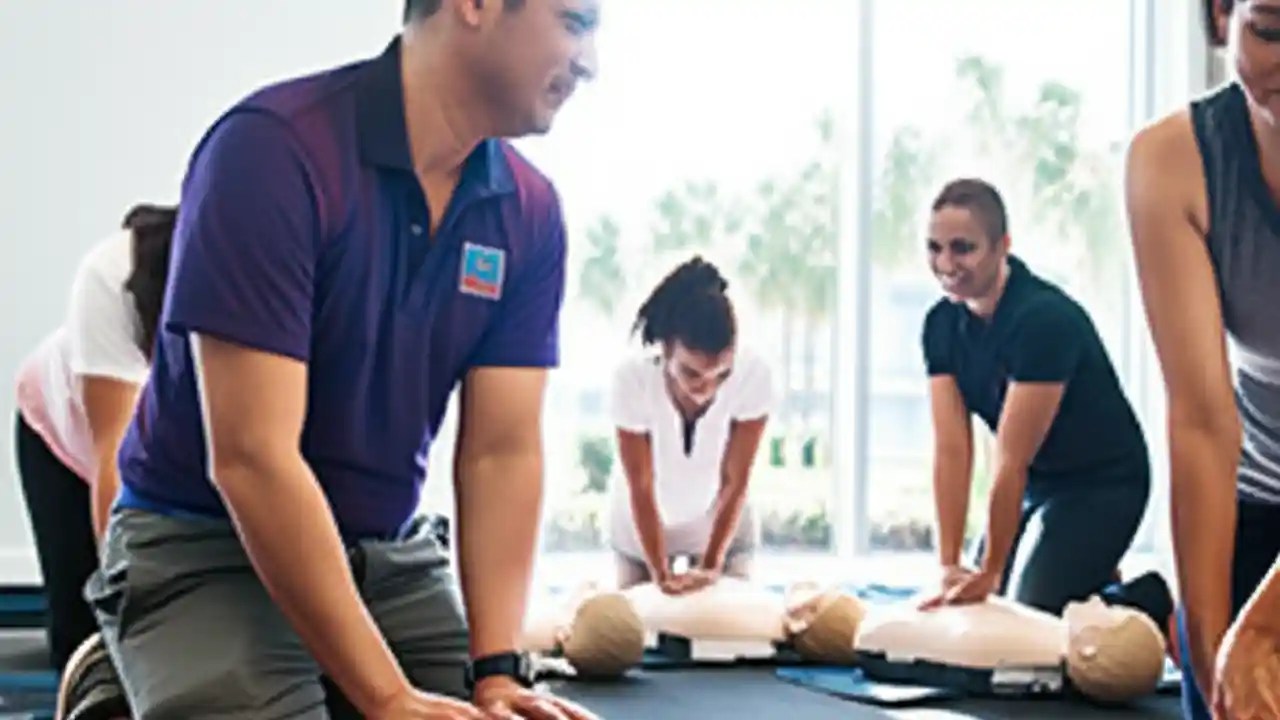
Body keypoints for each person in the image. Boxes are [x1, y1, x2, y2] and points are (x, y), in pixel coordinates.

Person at [84, 1, 601, 718]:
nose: (590, 62)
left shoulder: (530, 211)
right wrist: (385, 697)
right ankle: (131, 664)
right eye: (574, 21)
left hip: (385, 560)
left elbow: (501, 454)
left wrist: (499, 672)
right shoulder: (272, 152)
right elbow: (251, 457)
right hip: (203, 546)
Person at [1124, 2, 1280, 717]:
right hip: (1255, 502)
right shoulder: (1174, 160)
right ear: (1223, 17)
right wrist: (1211, 641)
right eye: (1271, 30)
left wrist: (1266, 626)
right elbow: (1203, 420)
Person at [917, 178, 1152, 620]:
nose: (946, 263)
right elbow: (952, 450)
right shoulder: (940, 325)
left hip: (1103, 484)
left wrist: (990, 572)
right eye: (934, 247)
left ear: (1002, 245)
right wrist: (949, 565)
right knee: (977, 607)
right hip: (1039, 487)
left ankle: (1147, 601)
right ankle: (1095, 580)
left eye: (963, 248)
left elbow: (1011, 460)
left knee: (1025, 613)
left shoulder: (1043, 320)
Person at [13, 204, 176, 673]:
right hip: (71, 438)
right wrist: (133, 620)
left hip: (197, 452)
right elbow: (117, 465)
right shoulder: (117, 272)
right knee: (91, 632)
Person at [609, 257, 773, 595]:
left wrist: (712, 564)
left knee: (730, 631)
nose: (706, 390)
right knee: (631, 631)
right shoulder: (632, 379)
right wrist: (660, 572)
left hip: (723, 525)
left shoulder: (754, 374)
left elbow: (735, 480)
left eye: (721, 375)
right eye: (691, 373)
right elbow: (641, 485)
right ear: (667, 349)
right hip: (639, 530)